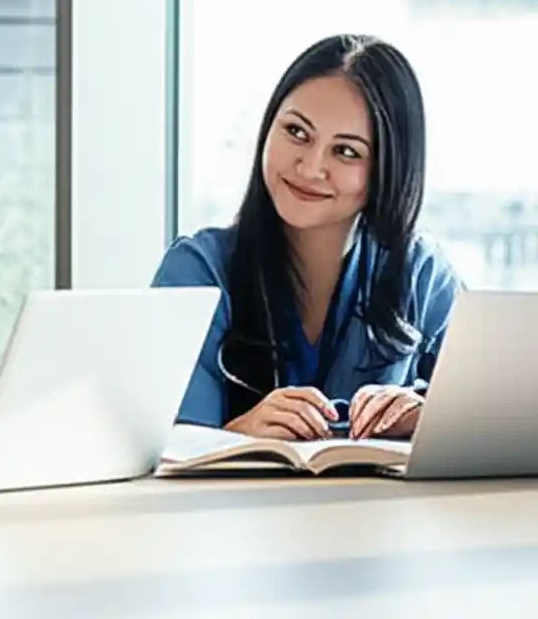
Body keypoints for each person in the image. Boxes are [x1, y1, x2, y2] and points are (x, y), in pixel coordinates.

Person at [153, 34, 462, 442]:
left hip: (379, 508)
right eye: (297, 132)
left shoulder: (422, 276)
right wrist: (239, 437)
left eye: (346, 152)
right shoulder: (197, 271)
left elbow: (490, 424)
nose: (311, 167)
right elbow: (160, 452)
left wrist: (427, 420)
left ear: (389, 169)